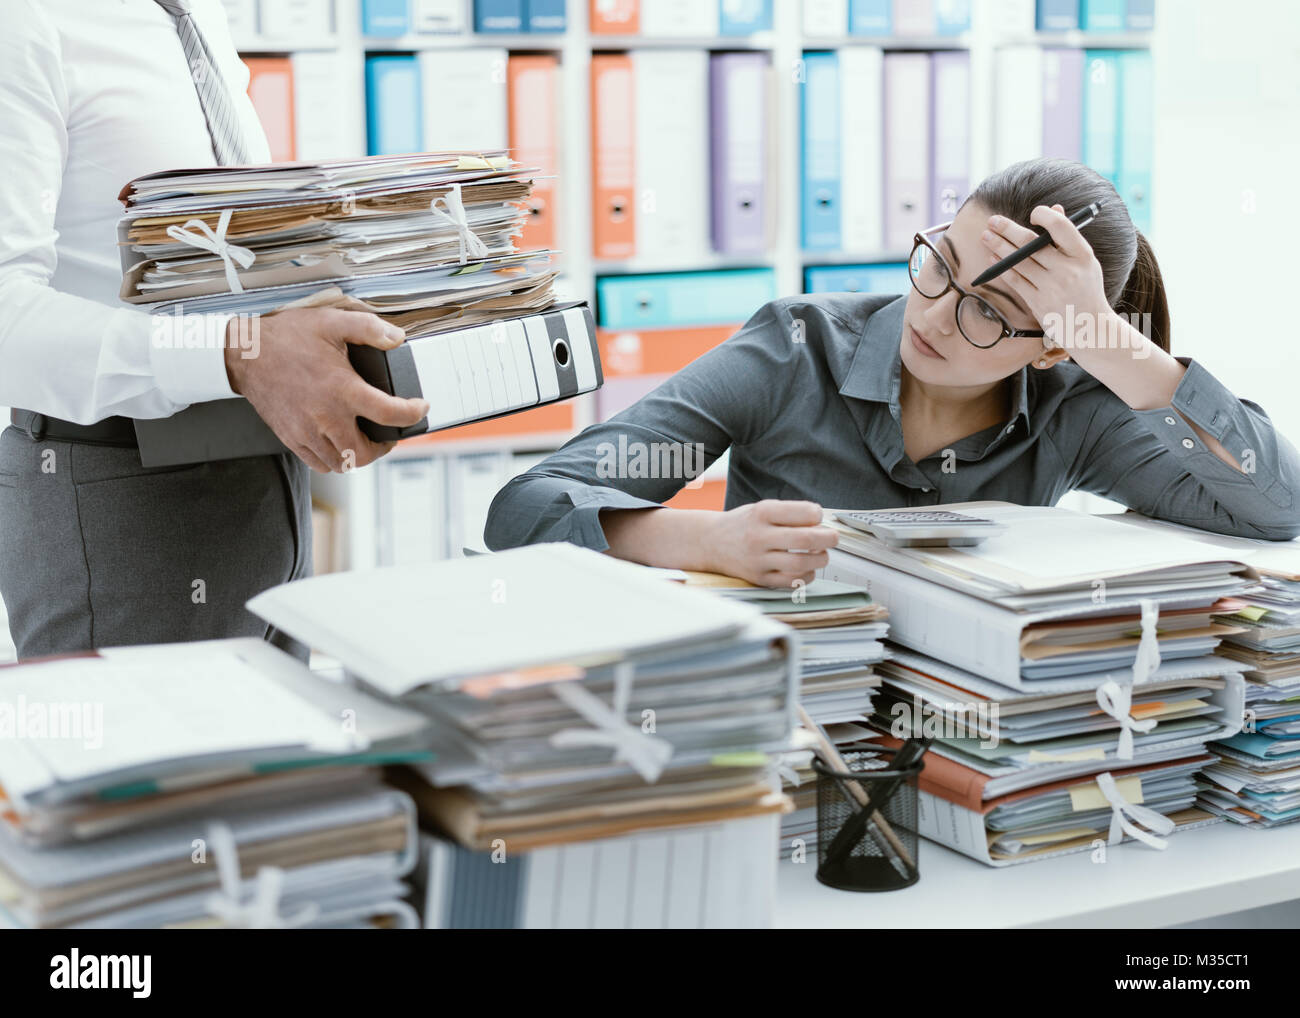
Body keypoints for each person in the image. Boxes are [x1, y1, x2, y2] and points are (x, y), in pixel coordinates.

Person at [485, 158, 1300, 585]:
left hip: (986, 729)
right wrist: (707, 540)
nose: (936, 313)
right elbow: (523, 509)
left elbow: (1276, 511)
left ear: (1054, 345)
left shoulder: (1074, 401)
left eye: (989, 310)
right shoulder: (792, 351)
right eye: (940, 261)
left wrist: (1111, 344)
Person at [0, 0, 428, 660]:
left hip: (261, 480)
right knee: (145, 758)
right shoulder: (25, 20)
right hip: (119, 488)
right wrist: (236, 354)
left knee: (275, 757)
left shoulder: (194, 13)